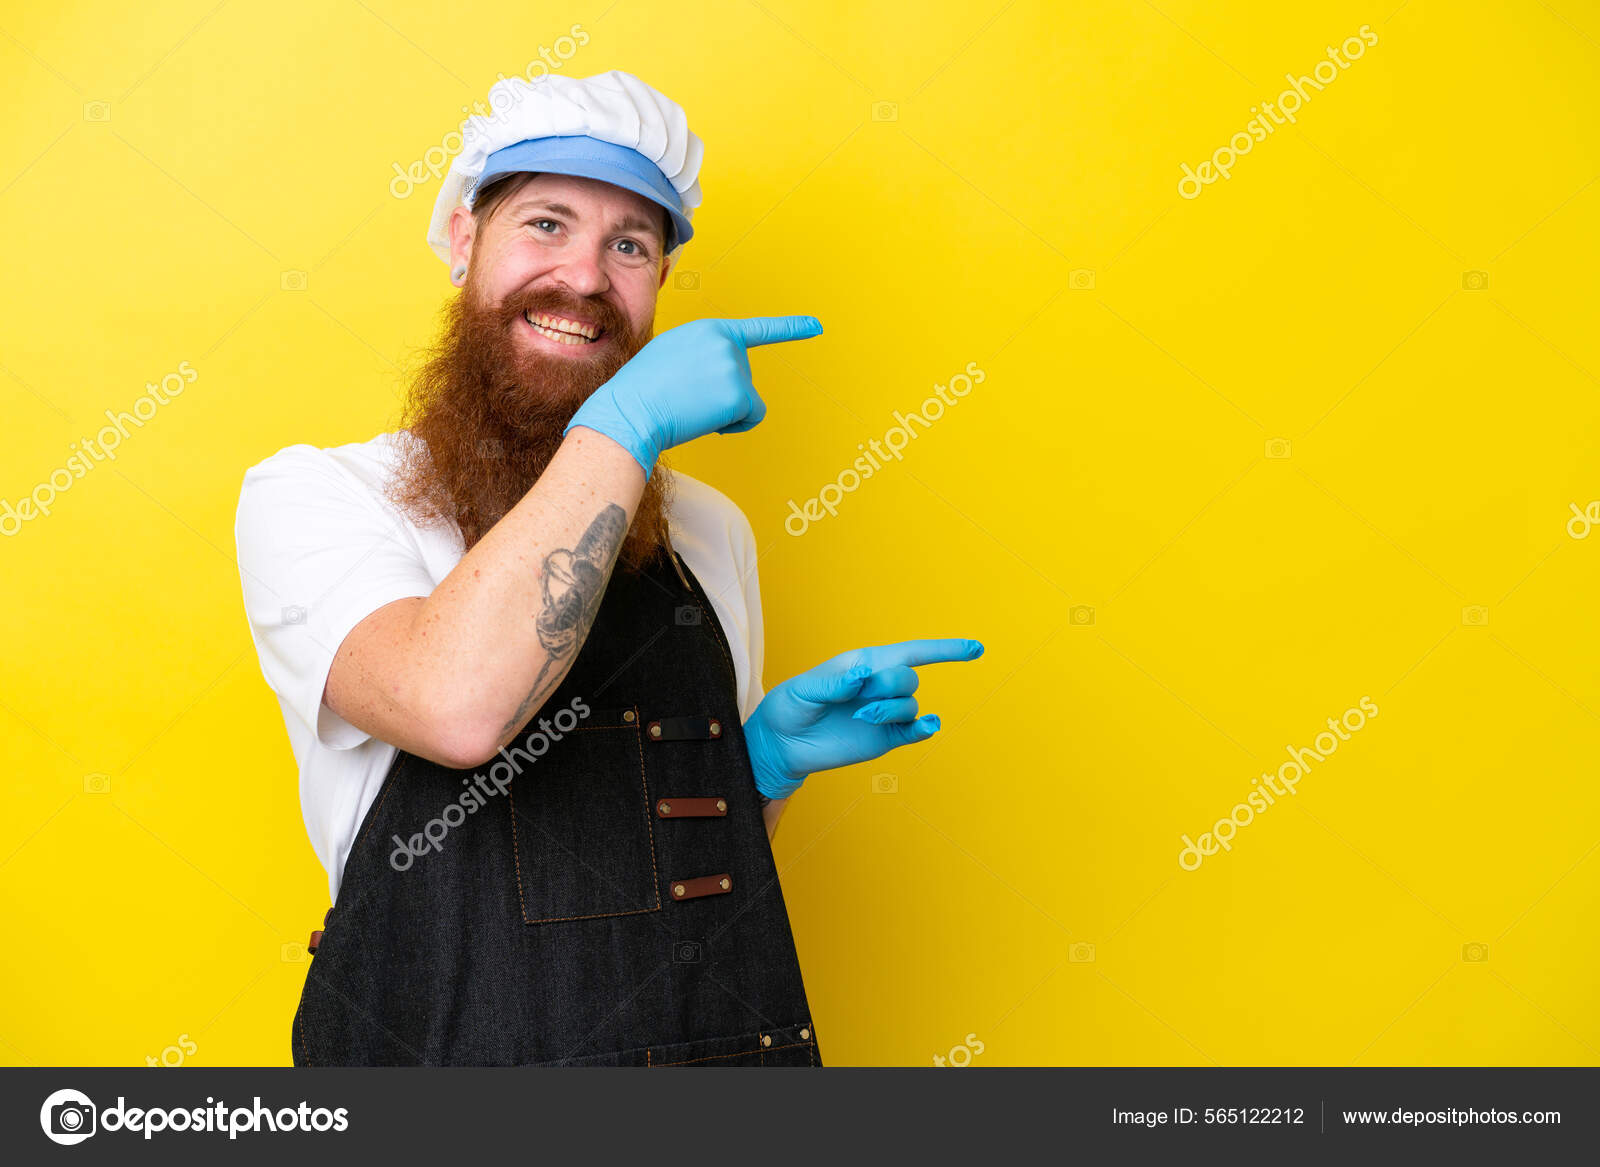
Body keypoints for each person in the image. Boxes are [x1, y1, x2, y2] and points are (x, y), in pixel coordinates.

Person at [234, 68, 985, 1067]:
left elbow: (673, 876)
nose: (586, 279)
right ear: (462, 240)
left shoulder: (709, 532)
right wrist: (623, 425)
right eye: (545, 224)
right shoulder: (320, 496)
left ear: (659, 283)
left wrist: (759, 769)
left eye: (629, 245)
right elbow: (454, 709)